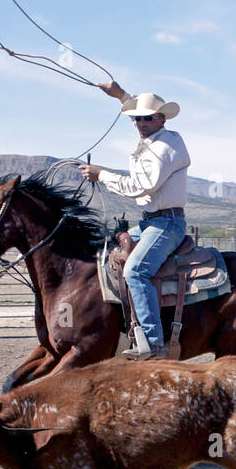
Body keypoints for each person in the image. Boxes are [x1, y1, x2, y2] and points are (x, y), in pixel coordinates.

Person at [79, 82, 190, 359]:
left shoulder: (166, 147)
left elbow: (142, 186)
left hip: (167, 224)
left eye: (147, 118)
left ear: (161, 119)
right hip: (150, 222)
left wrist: (101, 175)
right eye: (136, 118)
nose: (140, 123)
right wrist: (120, 95)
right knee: (106, 253)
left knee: (136, 271)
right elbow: (140, 118)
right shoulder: (153, 139)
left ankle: (153, 344)